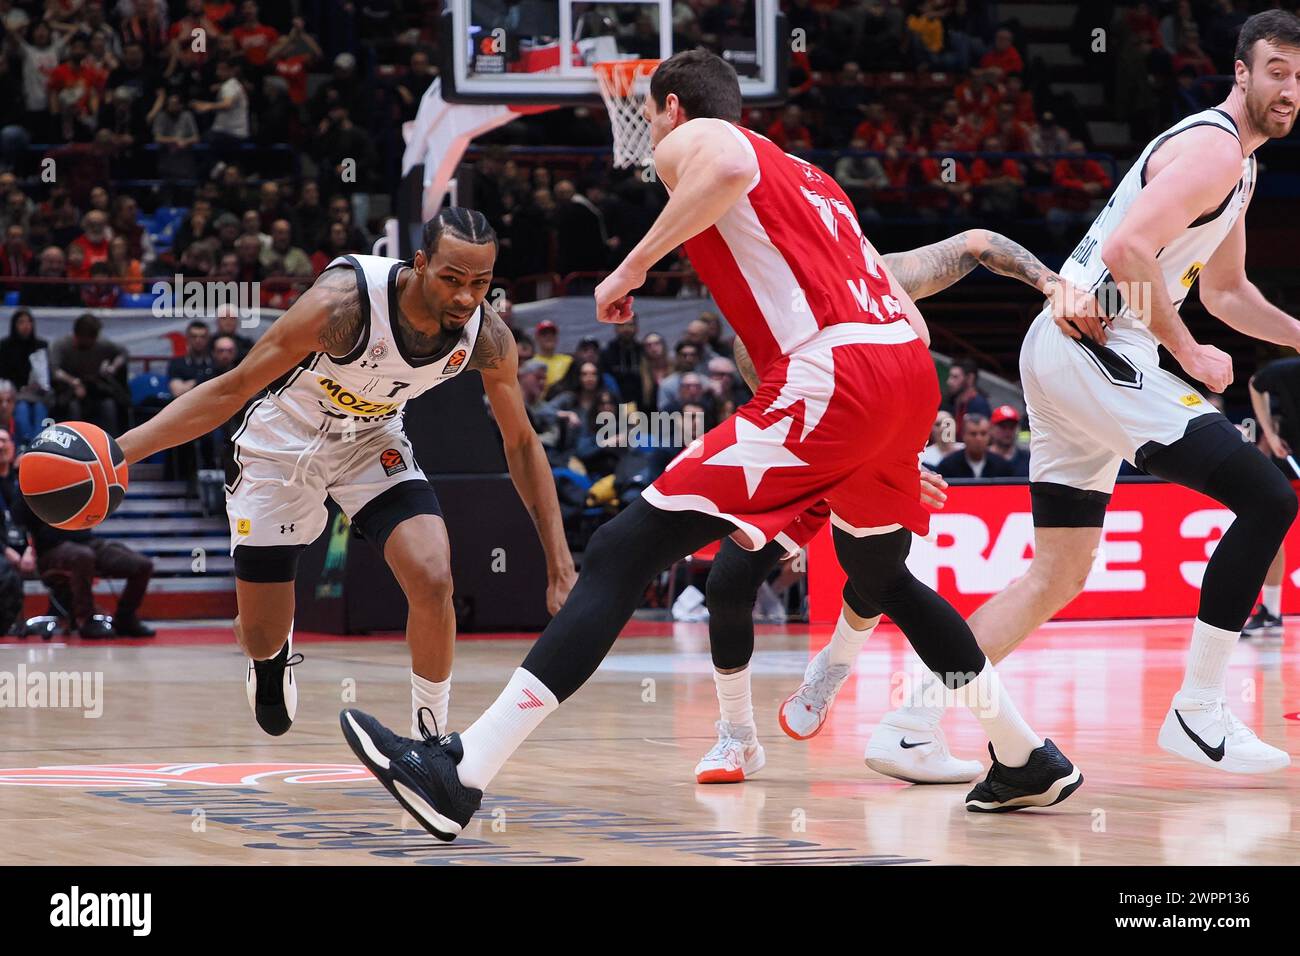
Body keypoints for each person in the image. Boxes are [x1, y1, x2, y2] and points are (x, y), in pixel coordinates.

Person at [337, 49, 1087, 841]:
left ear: (666, 109)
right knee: (884, 578)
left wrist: (628, 270)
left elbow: (724, 160)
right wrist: (879, 433)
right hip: (905, 368)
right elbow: (904, 280)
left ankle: (460, 773)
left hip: (837, 374)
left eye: (655, 122)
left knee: (626, 548)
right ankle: (1023, 753)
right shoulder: (816, 183)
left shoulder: (700, 142)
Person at [858, 10, 1300, 780]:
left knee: (1057, 572)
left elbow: (1228, 293)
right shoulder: (1215, 150)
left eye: (1299, 76)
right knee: (1267, 495)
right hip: (1092, 343)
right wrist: (1188, 350)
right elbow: (1130, 249)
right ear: (1241, 71)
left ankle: (909, 720)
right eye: (1275, 71)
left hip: (1071, 350)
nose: (1289, 89)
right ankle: (1199, 708)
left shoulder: (1241, 165)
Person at [113, 207, 575, 740]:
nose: (465, 297)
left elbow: (520, 442)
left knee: (433, 578)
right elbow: (233, 386)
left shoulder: (486, 339)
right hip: (281, 444)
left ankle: (431, 745)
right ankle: (271, 656)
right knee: (259, 634)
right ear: (420, 263)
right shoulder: (344, 305)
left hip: (372, 443)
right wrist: (122, 453)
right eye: (451, 279)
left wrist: (560, 565)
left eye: (480, 283)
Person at [696, 228, 1081, 783]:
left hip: (881, 452)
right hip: (804, 453)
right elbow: (786, 421)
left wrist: (1049, 282)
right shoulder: (759, 330)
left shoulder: (884, 274)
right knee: (727, 582)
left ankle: (833, 667)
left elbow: (977, 243)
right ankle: (737, 736)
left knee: (878, 577)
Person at [1243, 355, 1300, 637]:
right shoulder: (1287, 370)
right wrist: (1270, 434)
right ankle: (1272, 612)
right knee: (1271, 529)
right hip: (1289, 457)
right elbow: (1255, 384)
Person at [49, 313, 129, 433]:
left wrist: (113, 367)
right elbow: (55, 371)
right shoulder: (62, 345)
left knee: (109, 406)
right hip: (69, 392)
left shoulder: (101, 344)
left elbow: (123, 353)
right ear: (77, 336)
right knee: (73, 409)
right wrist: (73, 382)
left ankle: (111, 443)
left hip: (94, 390)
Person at [0, 309, 51, 447]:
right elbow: (4, 375)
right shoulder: (5, 346)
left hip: (38, 394)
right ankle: (25, 446)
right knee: (22, 409)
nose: (26, 325)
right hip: (15, 393)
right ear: (14, 325)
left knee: (40, 409)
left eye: (29, 322)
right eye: (21, 322)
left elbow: (47, 376)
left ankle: (38, 445)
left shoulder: (41, 345)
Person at [0, 429, 33, 636]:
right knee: (5, 572)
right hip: (3, 547)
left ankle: (65, 618)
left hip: (29, 544)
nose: (0, 446)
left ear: (13, 446)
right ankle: (7, 624)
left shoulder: (25, 480)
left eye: (4, 441)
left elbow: (38, 519)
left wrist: (32, 548)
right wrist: (5, 550)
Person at [936, 413, 1015, 480]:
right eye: (973, 434)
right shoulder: (947, 466)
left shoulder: (1002, 466)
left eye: (983, 433)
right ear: (963, 435)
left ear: (989, 435)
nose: (979, 439)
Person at [989, 404, 1031, 476]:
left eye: (1012, 427)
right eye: (1003, 427)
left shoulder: (1027, 459)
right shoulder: (984, 459)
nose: (1007, 432)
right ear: (992, 428)